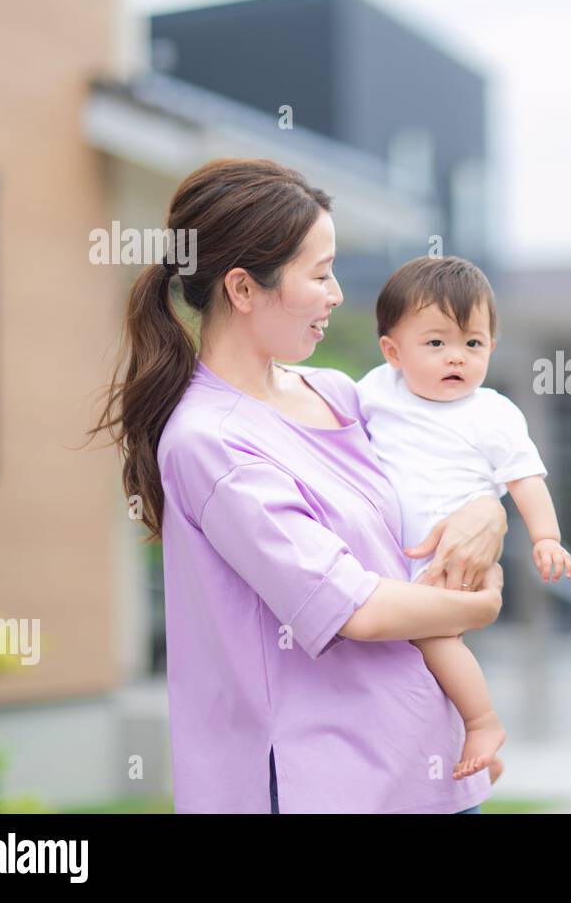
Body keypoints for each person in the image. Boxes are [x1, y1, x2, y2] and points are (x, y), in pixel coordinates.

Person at [91, 158, 506, 813]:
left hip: (432, 770)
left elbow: (444, 472)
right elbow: (352, 608)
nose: (337, 294)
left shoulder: (337, 394)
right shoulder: (211, 442)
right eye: (319, 274)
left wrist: (489, 511)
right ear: (243, 288)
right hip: (330, 786)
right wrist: (479, 608)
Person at [357, 254, 571, 782]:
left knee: (436, 643)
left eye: (473, 343)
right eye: (435, 343)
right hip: (391, 559)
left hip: (449, 560)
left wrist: (546, 537)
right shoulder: (373, 393)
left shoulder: (492, 413)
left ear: (491, 348)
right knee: (412, 663)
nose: (457, 356)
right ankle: (466, 739)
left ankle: (483, 723)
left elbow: (526, 479)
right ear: (393, 351)